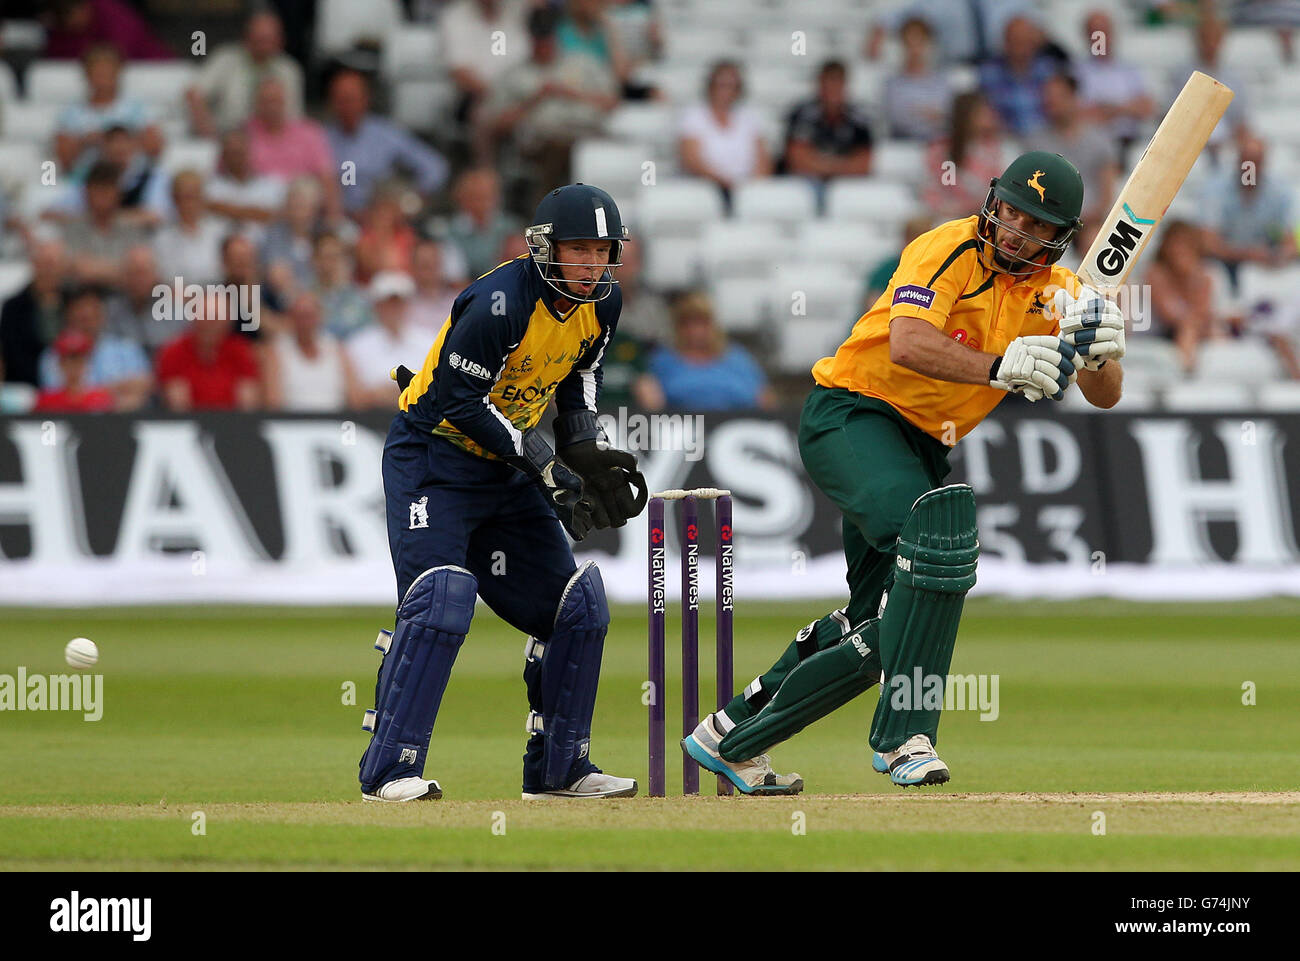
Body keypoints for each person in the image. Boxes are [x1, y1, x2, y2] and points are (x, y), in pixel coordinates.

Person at [682, 151, 1127, 794]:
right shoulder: (946, 249)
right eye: (1010, 214)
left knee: (878, 626)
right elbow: (909, 342)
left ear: (1058, 239)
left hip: (921, 445)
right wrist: (1001, 366)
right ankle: (904, 739)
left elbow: (1106, 394)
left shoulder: (1062, 294)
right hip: (853, 416)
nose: (1014, 232)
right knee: (936, 542)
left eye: (1035, 227)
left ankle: (731, 733)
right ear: (994, 203)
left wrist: (1104, 347)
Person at [360, 183, 646, 802]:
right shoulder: (500, 302)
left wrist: (584, 451)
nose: (594, 266)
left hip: (503, 467)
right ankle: (389, 772)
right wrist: (543, 463)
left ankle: (559, 768)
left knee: (578, 605)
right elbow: (457, 402)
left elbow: (579, 377)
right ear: (544, 248)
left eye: (603, 252)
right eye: (580, 251)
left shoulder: (604, 304)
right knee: (441, 597)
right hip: (434, 456)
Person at [325, 68, 449, 216]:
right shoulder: (321, 138)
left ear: (366, 100)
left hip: (382, 215)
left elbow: (435, 167)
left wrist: (413, 198)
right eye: (340, 100)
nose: (346, 107)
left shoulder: (385, 134)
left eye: (351, 100)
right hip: (339, 217)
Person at [645, 292, 773, 411]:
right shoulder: (662, 361)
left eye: (702, 324)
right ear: (677, 328)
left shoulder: (738, 358)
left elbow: (765, 399)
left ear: (714, 326)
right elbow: (651, 403)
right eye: (687, 325)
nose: (695, 332)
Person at [186, 9, 304, 137]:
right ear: (246, 38)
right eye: (259, 40)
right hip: (226, 139)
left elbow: (294, 119)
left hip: (271, 143)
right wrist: (208, 133)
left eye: (268, 40)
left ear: (281, 41)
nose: (263, 46)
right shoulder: (225, 58)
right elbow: (193, 93)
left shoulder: (289, 70)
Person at [39, 284, 152, 411]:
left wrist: (97, 396)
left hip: (119, 422)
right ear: (68, 314)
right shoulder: (54, 353)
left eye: (93, 307)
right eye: (80, 308)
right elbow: (58, 396)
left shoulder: (127, 348)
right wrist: (110, 392)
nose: (87, 314)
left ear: (102, 312)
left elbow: (142, 388)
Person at [1146, 219, 1239, 372]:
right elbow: (1169, 315)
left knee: (1209, 330)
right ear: (1165, 246)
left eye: (1185, 244)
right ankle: (1185, 374)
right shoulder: (1155, 273)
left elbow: (1204, 311)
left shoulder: (1206, 273)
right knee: (1188, 329)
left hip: (1199, 326)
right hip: (1162, 331)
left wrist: (1192, 277)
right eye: (1175, 244)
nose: (1180, 250)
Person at [679, 61, 772, 206]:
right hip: (707, 189)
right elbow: (691, 160)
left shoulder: (750, 118)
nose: (726, 91)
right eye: (722, 85)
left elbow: (762, 161)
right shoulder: (694, 116)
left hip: (745, 189)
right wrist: (724, 182)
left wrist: (751, 188)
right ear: (710, 86)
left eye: (732, 86)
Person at [156, 292, 262, 411]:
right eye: (205, 317)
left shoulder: (241, 351)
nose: (210, 325)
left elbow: (248, 402)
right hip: (188, 423)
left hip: (233, 423)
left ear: (228, 321)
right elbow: (177, 404)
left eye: (216, 318)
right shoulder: (174, 351)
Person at [345, 272, 434, 408]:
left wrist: (381, 393)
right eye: (388, 303)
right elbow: (355, 397)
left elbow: (437, 393)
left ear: (407, 305)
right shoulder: (357, 345)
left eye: (398, 303)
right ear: (377, 306)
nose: (393, 309)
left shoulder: (428, 341)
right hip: (372, 421)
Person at [922, 91, 1016, 220]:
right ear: (966, 116)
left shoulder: (995, 149)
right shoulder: (942, 150)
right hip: (948, 218)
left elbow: (1000, 189)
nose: (990, 116)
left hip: (985, 216)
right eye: (982, 112)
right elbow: (937, 189)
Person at [782, 61, 874, 191]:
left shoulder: (859, 118)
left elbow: (864, 165)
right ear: (819, 84)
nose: (832, 89)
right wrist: (842, 165)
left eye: (837, 83)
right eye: (828, 82)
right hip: (808, 184)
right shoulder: (802, 114)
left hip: (845, 186)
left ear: (845, 85)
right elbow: (798, 161)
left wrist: (822, 165)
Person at [263, 291, 362, 411]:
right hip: (291, 424)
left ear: (319, 317)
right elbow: (273, 402)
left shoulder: (337, 349)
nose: (305, 323)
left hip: (335, 423)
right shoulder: (276, 352)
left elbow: (355, 397)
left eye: (309, 316)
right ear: (291, 318)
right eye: (300, 317)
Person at [977, 14, 1062, 136]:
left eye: (1025, 41)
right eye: (1015, 40)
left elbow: (1060, 107)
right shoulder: (988, 74)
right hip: (1006, 138)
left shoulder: (1048, 69)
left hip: (1047, 137)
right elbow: (983, 114)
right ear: (1005, 42)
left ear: (1034, 43)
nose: (1020, 47)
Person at [0, 238, 68, 388]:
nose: (49, 271)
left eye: (54, 265)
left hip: (69, 387)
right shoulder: (13, 307)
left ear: (63, 268)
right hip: (27, 388)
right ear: (34, 265)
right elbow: (12, 354)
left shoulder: (73, 302)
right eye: (44, 264)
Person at [883, 17, 952, 142]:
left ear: (928, 44)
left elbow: (948, 117)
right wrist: (931, 114)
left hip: (938, 147)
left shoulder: (942, 82)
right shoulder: (892, 84)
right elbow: (898, 119)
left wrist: (915, 110)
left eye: (919, 42)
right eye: (909, 43)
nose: (914, 49)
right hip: (903, 147)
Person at [32, 330, 116, 412]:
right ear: (61, 364)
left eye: (79, 361)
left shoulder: (101, 399)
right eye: (69, 361)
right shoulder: (46, 400)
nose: (74, 367)